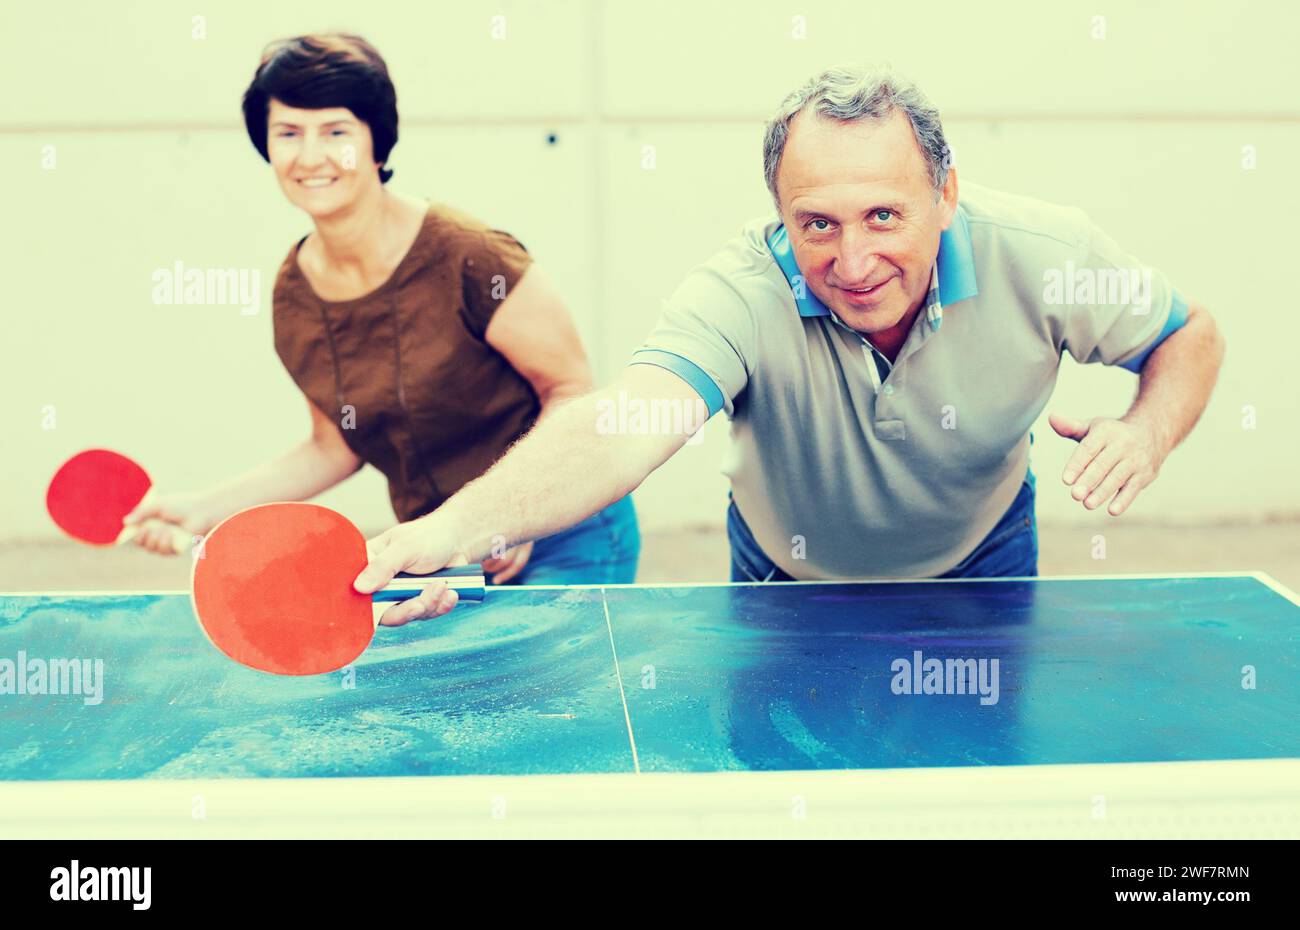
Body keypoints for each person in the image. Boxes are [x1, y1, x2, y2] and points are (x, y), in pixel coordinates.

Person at [354, 64, 1223, 622]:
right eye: (816, 223)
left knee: (975, 777)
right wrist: (458, 528)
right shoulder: (740, 289)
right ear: (780, 215)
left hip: (981, 558)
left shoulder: (1047, 254)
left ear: (947, 192)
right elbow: (624, 424)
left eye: (885, 214)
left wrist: (1147, 430)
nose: (852, 260)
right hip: (783, 573)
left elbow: (1189, 334)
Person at [123, 33, 639, 586]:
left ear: (377, 142)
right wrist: (205, 508)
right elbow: (334, 447)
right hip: (436, 550)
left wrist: (515, 515)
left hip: (564, 532)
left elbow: (572, 393)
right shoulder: (294, 294)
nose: (311, 156)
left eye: (337, 131)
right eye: (289, 133)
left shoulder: (471, 254)